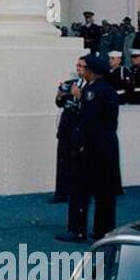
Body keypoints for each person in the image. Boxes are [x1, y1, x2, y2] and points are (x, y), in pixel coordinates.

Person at [58, 53, 122, 243]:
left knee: (81, 190)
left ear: (92, 71)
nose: (81, 71)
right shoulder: (104, 90)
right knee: (103, 192)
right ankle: (102, 230)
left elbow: (90, 121)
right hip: (103, 148)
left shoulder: (94, 92)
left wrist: (81, 99)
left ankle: (78, 230)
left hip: (92, 148)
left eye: (83, 67)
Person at [53, 55, 88, 204]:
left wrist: (79, 96)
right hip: (66, 127)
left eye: (81, 66)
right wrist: (60, 94)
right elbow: (60, 103)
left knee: (77, 162)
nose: (78, 69)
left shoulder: (91, 86)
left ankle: (76, 193)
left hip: (79, 129)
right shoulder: (71, 83)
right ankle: (61, 193)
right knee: (62, 161)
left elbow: (89, 107)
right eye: (78, 66)